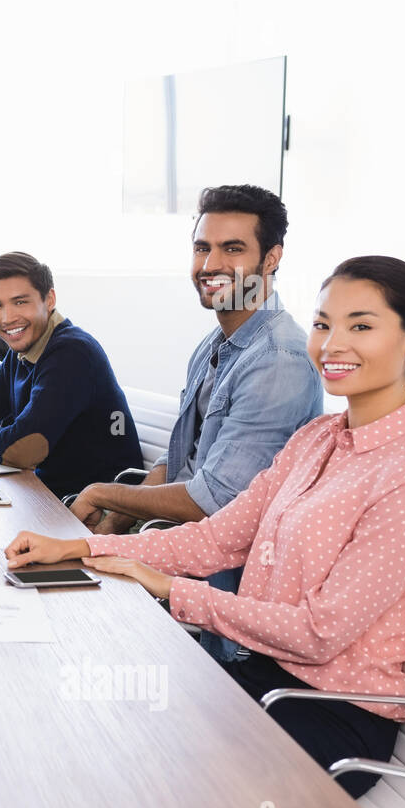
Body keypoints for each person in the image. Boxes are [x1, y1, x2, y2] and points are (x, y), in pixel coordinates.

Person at [5, 256, 405, 798]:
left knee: (129, 773)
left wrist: (174, 592)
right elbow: (219, 537)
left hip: (330, 717)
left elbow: (318, 635)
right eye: (322, 324)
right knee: (88, 718)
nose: (334, 343)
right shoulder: (316, 438)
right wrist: (78, 546)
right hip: (259, 681)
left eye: (361, 325)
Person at [65, 184, 322, 661]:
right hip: (175, 568)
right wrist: (115, 523)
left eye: (233, 249)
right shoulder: (217, 344)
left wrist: (103, 494)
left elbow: (212, 503)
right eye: (202, 247)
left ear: (271, 259)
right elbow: (182, 457)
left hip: (221, 610)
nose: (210, 265)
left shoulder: (278, 362)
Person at [0, 251, 142, 497]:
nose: (7, 318)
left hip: (100, 511)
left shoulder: (71, 353)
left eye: (20, 302)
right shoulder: (23, 352)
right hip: (50, 497)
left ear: (49, 299)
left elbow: (24, 448)